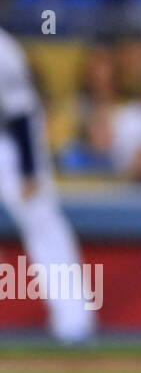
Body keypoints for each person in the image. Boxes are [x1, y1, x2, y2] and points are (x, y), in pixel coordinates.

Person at [0, 27, 96, 343]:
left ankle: (74, 321)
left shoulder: (4, 49)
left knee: (43, 225)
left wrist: (28, 171)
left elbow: (21, 114)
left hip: (11, 144)